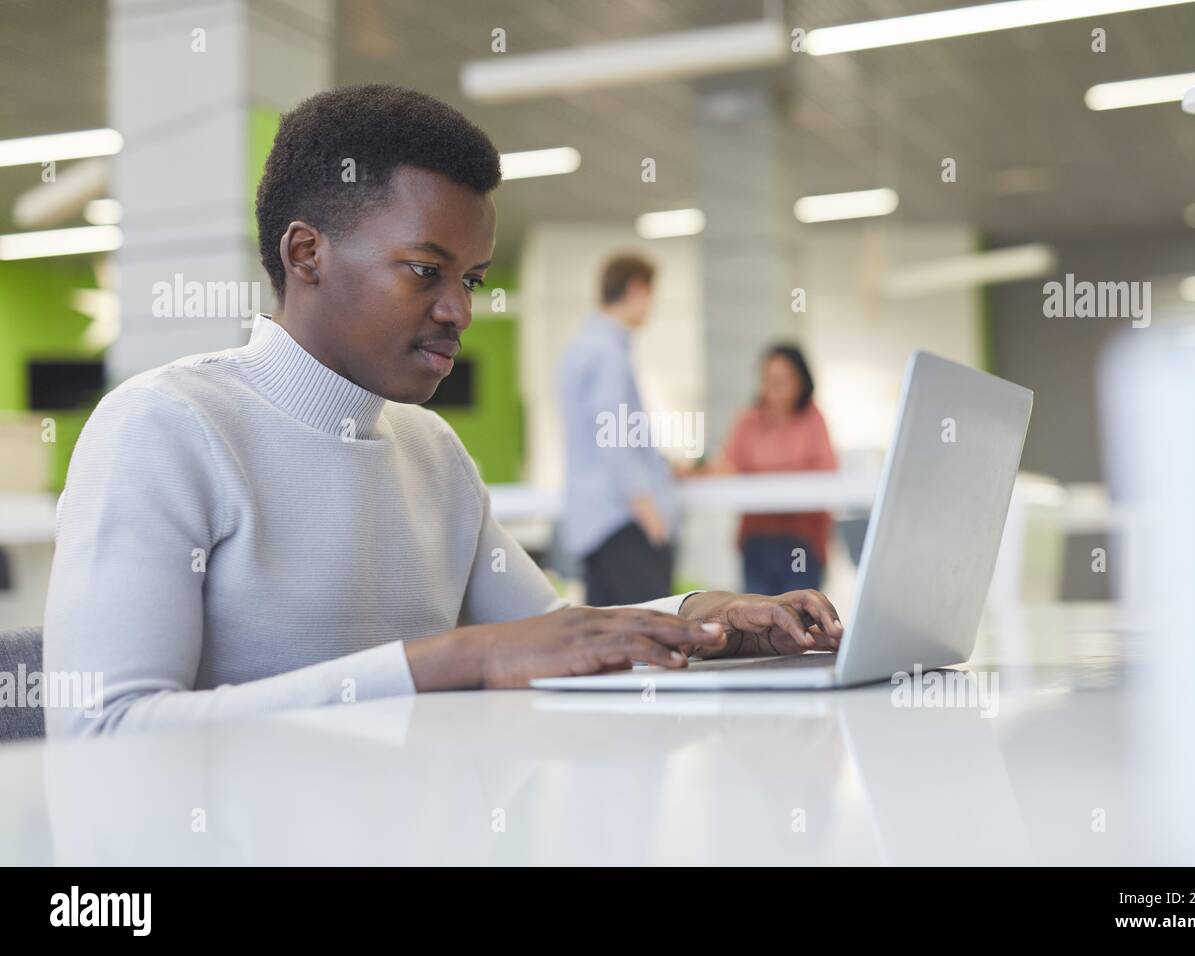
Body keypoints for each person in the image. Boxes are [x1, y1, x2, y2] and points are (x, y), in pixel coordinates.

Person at [42, 85, 843, 738]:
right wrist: (449, 662)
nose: (460, 309)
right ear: (306, 254)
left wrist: (710, 622)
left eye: (474, 279)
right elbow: (103, 730)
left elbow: (557, 632)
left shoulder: (429, 449)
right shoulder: (164, 427)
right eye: (427, 271)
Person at [558, 255, 676, 606]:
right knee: (653, 637)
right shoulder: (607, 352)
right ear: (637, 290)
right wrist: (648, 510)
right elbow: (611, 434)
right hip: (623, 522)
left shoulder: (581, 348)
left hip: (599, 526)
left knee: (613, 648)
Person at [694, 344, 838, 594]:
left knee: (799, 618)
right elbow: (728, 466)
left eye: (781, 381)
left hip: (801, 540)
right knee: (756, 621)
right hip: (757, 539)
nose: (774, 390)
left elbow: (828, 472)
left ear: (800, 382)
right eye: (768, 381)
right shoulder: (747, 420)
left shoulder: (813, 419)